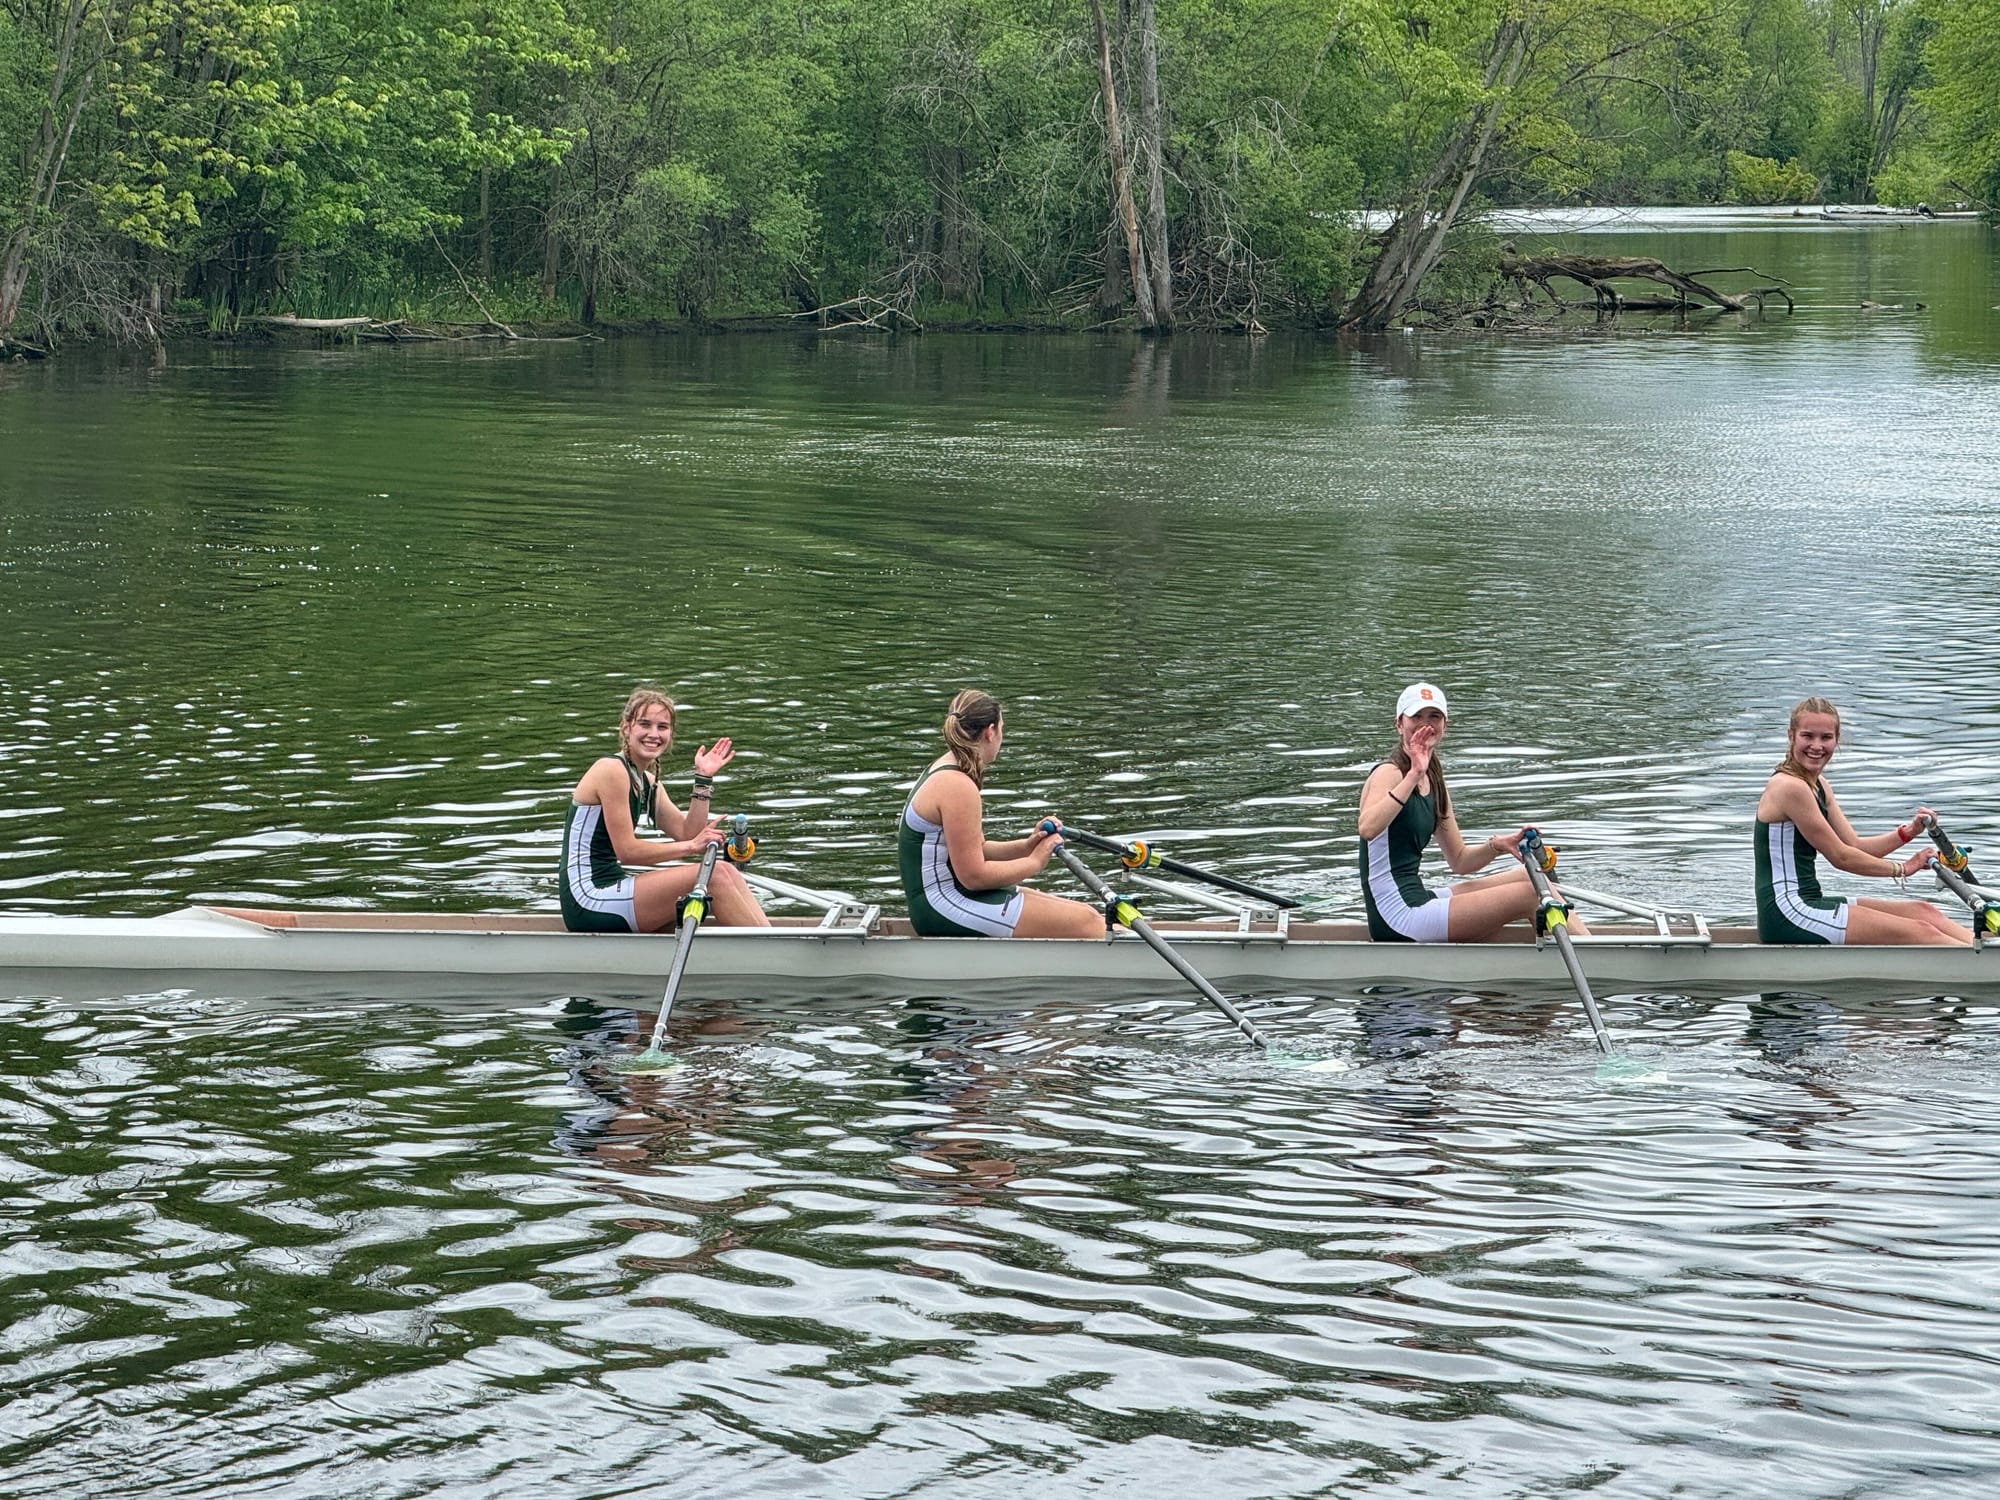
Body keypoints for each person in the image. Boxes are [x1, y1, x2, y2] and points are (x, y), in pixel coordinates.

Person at [1356, 682, 1588, 942]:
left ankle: (1573, 946)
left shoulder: (1434, 782)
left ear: (1445, 725)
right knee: (1528, 894)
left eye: (1434, 716)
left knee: (1531, 877)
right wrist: (1414, 774)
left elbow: (1460, 861)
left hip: (1418, 897)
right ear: (1399, 724)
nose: (1425, 724)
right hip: (1395, 916)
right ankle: (1600, 957)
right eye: (1416, 716)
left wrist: (1497, 845)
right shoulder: (1389, 773)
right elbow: (1367, 828)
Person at [1753, 696, 1968, 946]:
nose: (1816, 746)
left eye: (1825, 737)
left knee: (1924, 912)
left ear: (1837, 739)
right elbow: (1841, 857)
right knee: (1923, 932)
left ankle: (1988, 952)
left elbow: (1855, 846)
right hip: (1788, 913)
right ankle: (1984, 967)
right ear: (1791, 736)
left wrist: (1908, 832)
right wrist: (1903, 868)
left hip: (1809, 901)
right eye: (1807, 736)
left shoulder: (1819, 785)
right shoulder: (1789, 787)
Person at [559, 686, 770, 932]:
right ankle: (781, 955)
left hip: (610, 889)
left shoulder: (647, 782)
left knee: (727, 873)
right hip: (588, 899)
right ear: (626, 728)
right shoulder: (611, 770)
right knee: (717, 875)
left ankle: (776, 944)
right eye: (645, 725)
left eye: (662, 727)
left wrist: (703, 780)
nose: (653, 734)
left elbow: (687, 832)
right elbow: (628, 851)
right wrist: (692, 847)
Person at [897, 689, 1105, 938]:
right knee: (1088, 924)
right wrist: (1034, 863)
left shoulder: (946, 768)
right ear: (991, 731)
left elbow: (977, 850)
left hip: (950, 897)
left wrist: (1028, 845)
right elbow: (973, 876)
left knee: (1087, 912)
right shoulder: (957, 785)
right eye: (1003, 729)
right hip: (943, 906)